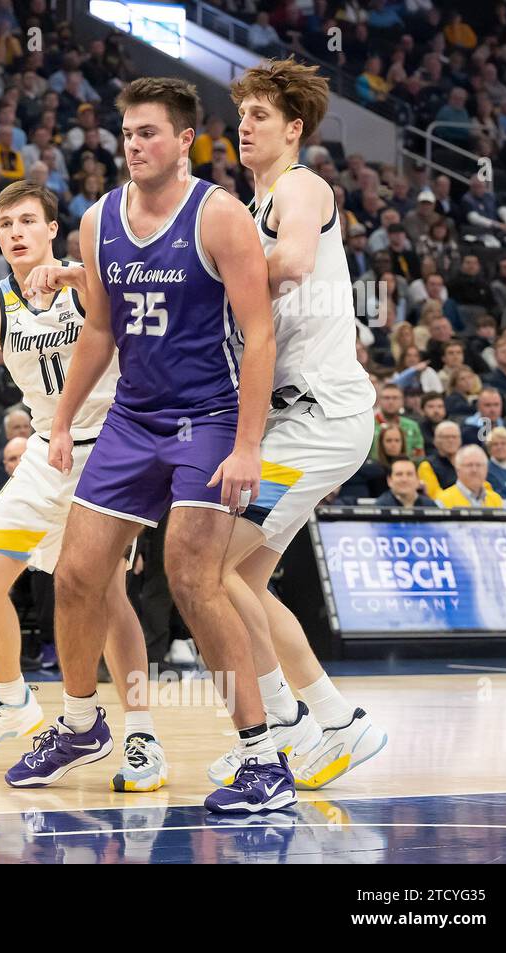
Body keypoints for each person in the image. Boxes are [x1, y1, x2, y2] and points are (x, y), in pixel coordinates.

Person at [19, 77, 287, 813]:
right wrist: (65, 422)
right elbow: (100, 330)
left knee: (191, 578)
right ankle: (80, 722)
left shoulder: (221, 217)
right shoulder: (97, 218)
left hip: (207, 417)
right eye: (127, 133)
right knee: (75, 574)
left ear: (184, 141)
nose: (133, 145)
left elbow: (258, 334)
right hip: (132, 420)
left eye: (148, 133)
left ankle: (263, 757)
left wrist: (247, 444)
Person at [0, 179, 165, 785]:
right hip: (46, 455)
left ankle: (142, 735)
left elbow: (132, 303)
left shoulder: (88, 279)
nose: (15, 233)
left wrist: (75, 277)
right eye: (4, 225)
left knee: (111, 598)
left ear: (51, 230)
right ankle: (13, 700)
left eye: (25, 222)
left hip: (111, 451)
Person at [166, 59, 389, 793]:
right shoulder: (248, 204)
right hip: (299, 416)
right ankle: (335, 719)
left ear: (294, 129)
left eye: (261, 115)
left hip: (320, 415)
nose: (246, 127)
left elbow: (290, 258)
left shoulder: (300, 186)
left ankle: (286, 725)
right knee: (245, 581)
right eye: (243, 116)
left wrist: (210, 274)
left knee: (207, 565)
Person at [437, 444, 504, 508]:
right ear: (458, 470)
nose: (474, 470)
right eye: (469, 465)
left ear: (486, 469)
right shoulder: (443, 501)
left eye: (479, 465)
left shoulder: (497, 501)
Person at [374, 457, 438, 508]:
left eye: (409, 474)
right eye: (399, 474)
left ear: (418, 479)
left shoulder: (430, 506)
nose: (404, 479)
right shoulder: (380, 507)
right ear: (389, 480)